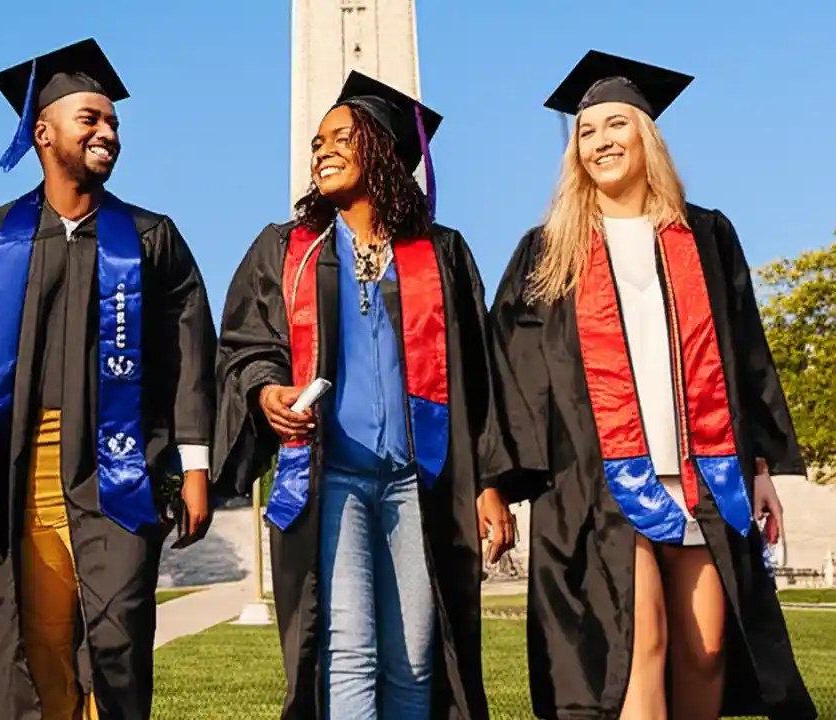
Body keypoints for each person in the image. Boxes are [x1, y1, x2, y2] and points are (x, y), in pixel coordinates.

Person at [0, 38, 217, 720]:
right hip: (10, 471)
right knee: (29, 647)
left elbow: (189, 355)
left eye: (113, 123)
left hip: (119, 464)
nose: (107, 133)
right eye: (90, 119)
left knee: (117, 638)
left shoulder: (151, 239)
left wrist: (195, 468)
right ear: (43, 133)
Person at [487, 50, 815, 719]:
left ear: (647, 136)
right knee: (640, 644)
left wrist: (760, 467)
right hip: (599, 486)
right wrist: (492, 481)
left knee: (709, 649)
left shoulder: (707, 237)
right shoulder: (548, 252)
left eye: (616, 125)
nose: (601, 141)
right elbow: (508, 372)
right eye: (587, 132)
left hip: (704, 476)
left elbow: (746, 354)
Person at [212, 71, 514, 720]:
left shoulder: (441, 254)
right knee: (348, 647)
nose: (320, 150)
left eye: (340, 138)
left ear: (381, 149)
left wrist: (488, 481)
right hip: (332, 480)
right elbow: (247, 344)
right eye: (317, 141)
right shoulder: (287, 250)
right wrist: (266, 391)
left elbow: (479, 374)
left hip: (419, 481)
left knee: (414, 657)